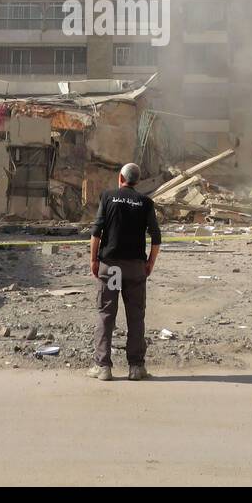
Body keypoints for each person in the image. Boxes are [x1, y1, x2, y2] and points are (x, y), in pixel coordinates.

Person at [88, 162, 161, 381]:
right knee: (136, 316)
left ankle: (103, 367)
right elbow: (156, 238)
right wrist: (150, 263)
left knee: (106, 314)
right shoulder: (146, 202)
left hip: (111, 268)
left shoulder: (108, 197)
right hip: (135, 269)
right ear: (137, 181)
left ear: (120, 177)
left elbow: (96, 232)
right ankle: (136, 367)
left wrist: (93, 260)